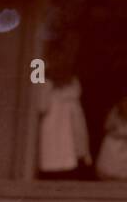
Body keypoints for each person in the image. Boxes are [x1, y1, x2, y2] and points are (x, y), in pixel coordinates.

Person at [36, 37, 94, 180]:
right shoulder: (44, 83)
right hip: (53, 129)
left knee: (69, 163)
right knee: (53, 161)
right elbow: (41, 106)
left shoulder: (73, 85)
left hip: (69, 133)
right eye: (55, 59)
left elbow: (78, 120)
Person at [96, 95, 127, 181]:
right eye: (126, 102)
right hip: (114, 150)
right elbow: (107, 128)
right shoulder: (115, 116)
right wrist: (123, 135)